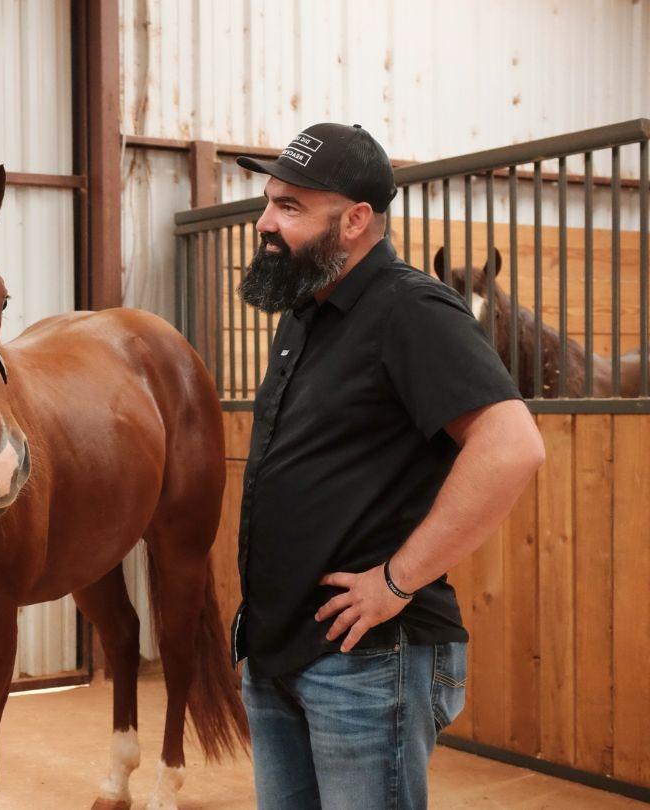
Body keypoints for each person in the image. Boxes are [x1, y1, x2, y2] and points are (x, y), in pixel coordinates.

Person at [230, 122, 545, 809]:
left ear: (355, 220)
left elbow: (511, 443)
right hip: (285, 649)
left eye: (289, 207)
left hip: (370, 660)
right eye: (268, 201)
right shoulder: (307, 311)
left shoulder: (411, 307)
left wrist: (396, 581)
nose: (264, 222)